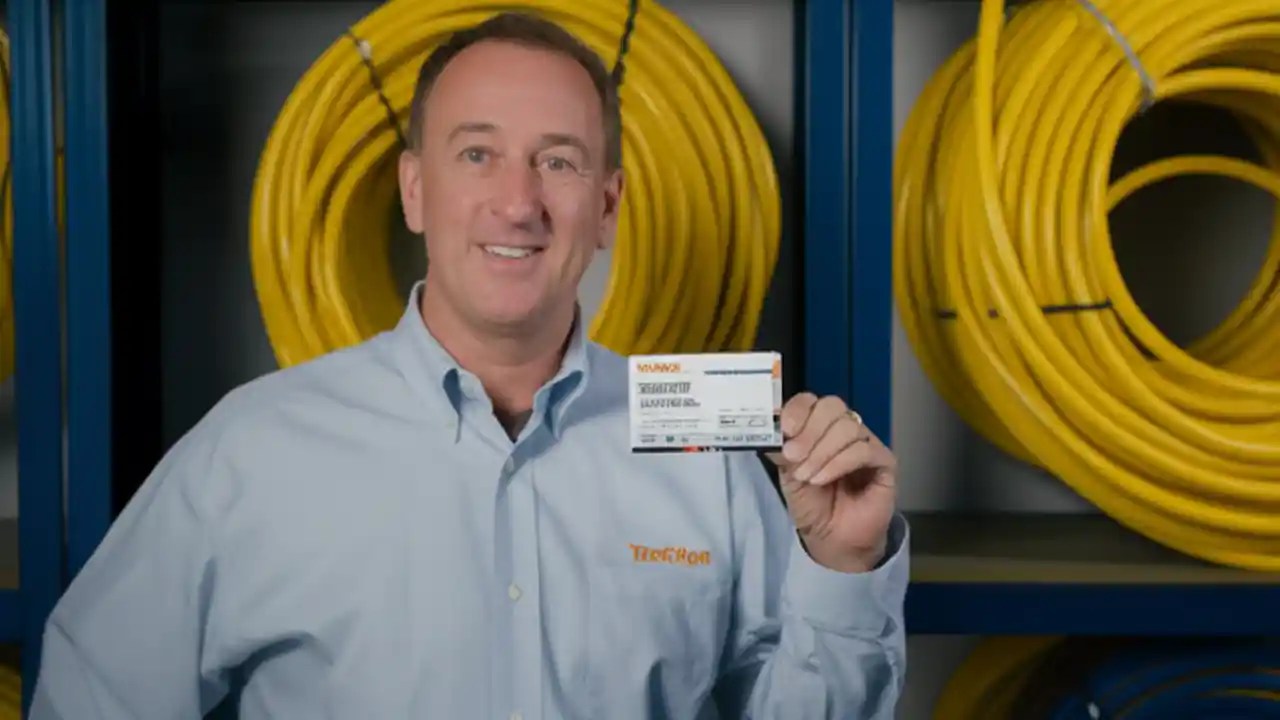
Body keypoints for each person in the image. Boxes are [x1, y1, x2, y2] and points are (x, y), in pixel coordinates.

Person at [30, 11, 908, 720]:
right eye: (477, 153)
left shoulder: (705, 463)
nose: (518, 202)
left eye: (557, 161)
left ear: (606, 207)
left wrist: (842, 569)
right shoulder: (252, 452)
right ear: (416, 189)